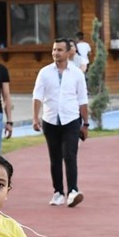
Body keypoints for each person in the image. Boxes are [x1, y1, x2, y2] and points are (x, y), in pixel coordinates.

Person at [32, 38, 90, 207]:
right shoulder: (44, 72)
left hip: (71, 120)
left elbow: (82, 100)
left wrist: (85, 124)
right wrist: (35, 118)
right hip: (50, 120)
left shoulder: (77, 73)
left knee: (70, 155)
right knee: (55, 157)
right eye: (54, 49)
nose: (56, 53)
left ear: (67, 52)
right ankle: (58, 192)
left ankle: (73, 191)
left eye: (59, 50)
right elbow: (37, 96)